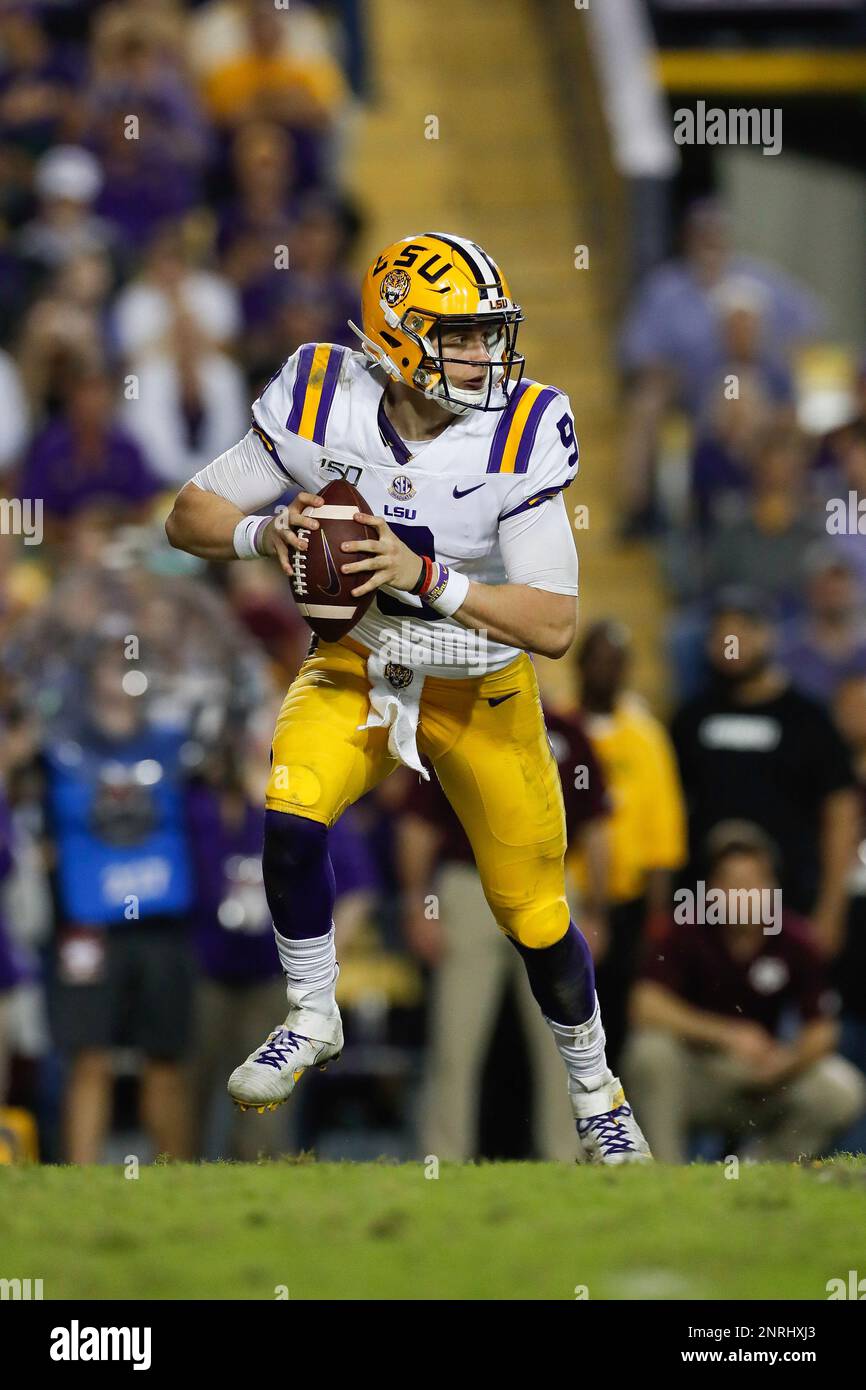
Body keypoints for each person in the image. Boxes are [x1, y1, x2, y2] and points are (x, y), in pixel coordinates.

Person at [166, 231, 651, 1163]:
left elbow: (553, 624)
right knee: (290, 810)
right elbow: (189, 514)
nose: (483, 355)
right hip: (362, 659)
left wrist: (427, 576)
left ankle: (597, 1092)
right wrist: (267, 533)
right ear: (395, 334)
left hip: (479, 684)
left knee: (535, 914)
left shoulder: (520, 425)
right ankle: (312, 1013)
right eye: (459, 336)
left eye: (488, 334)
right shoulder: (320, 396)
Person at [397, 708, 610, 1161]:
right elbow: (419, 824)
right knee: (456, 1041)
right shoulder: (453, 722)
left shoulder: (568, 731)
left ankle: (568, 1162)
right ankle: (443, 1160)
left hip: (547, 886)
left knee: (564, 1043)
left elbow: (594, 828)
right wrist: (418, 904)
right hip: (468, 885)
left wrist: (597, 910)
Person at [623, 824, 865, 1163]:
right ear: (711, 890)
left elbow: (822, 1030)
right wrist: (726, 1034)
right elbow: (644, 1006)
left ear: (771, 888)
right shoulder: (684, 932)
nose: (742, 894)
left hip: (763, 1076)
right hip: (696, 1071)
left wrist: (788, 1063)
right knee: (650, 1052)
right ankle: (666, 1175)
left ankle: (755, 1172)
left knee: (840, 1091)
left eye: (752, 883)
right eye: (731, 884)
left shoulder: (796, 940)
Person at [671, 588, 859, 952]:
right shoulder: (690, 718)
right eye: (721, 635)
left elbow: (841, 813)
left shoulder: (809, 720)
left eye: (741, 632)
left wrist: (832, 909)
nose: (730, 645)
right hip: (704, 914)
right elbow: (670, 810)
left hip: (793, 909)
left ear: (767, 635)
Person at [573, 620, 687, 1069]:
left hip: (626, 904)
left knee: (618, 1021)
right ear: (581, 665)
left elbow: (664, 840)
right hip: (566, 898)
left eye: (617, 663)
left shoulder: (646, 737)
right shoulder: (557, 727)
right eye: (599, 660)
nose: (608, 671)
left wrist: (655, 923)